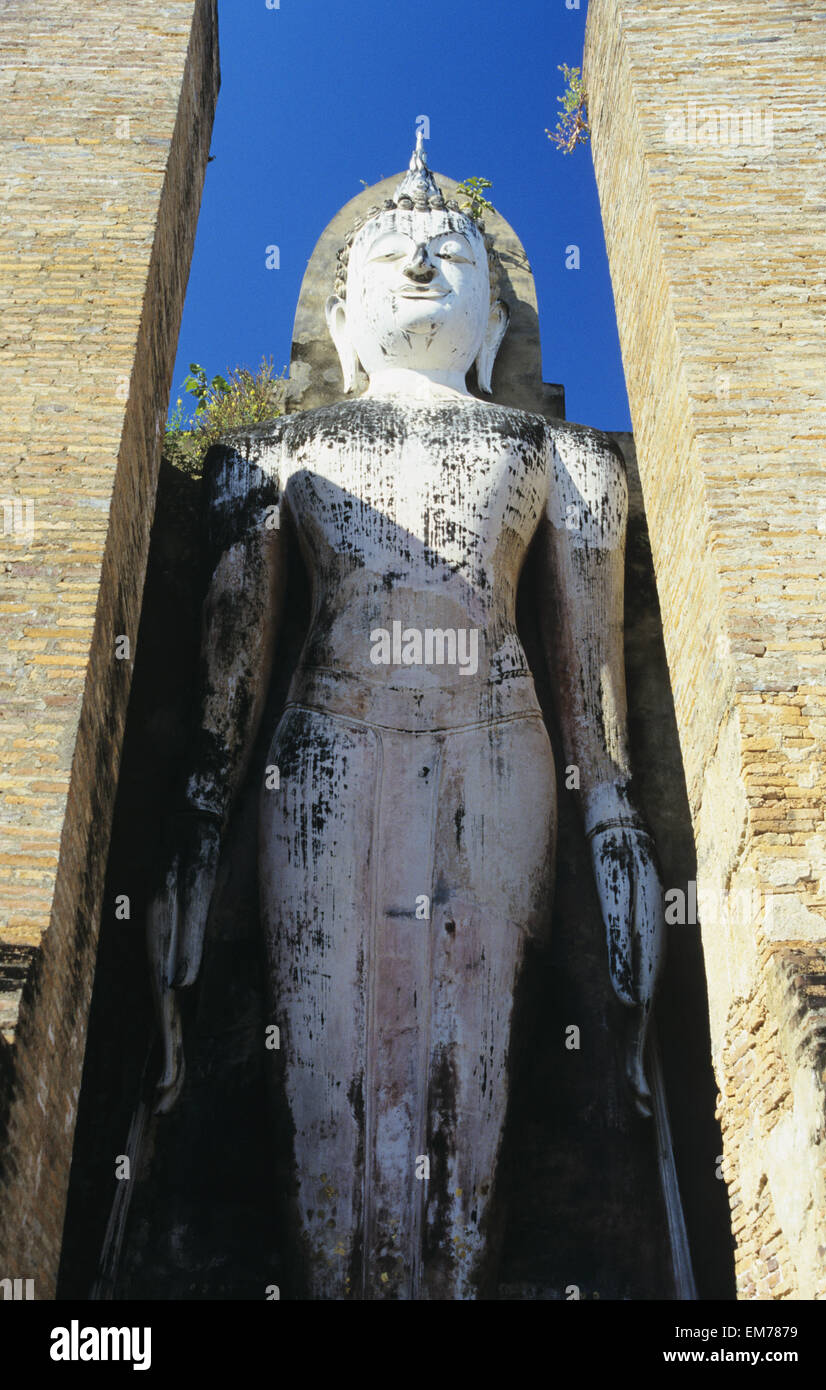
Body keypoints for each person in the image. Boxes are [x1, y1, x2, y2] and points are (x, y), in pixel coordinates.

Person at [147, 134, 665, 1299]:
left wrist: (617, 828)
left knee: (466, 1066)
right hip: (321, 744)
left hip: (498, 742)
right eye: (393, 247)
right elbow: (230, 692)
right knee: (320, 1073)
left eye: (451, 250)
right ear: (343, 311)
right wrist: (194, 823)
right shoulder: (272, 457)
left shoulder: (563, 455)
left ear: (492, 321)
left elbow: (592, 716)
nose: (423, 259)